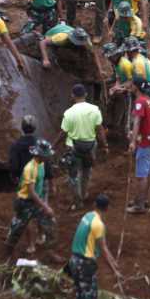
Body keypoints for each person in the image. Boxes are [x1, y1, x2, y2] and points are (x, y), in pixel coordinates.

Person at [67, 193, 121, 299]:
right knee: (89, 296)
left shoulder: (87, 216)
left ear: (95, 205)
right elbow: (103, 249)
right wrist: (114, 270)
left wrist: (114, 263)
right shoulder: (99, 225)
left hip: (74, 260)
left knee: (80, 293)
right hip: (85, 264)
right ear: (107, 208)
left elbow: (103, 248)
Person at [55, 83, 108, 212]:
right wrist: (105, 145)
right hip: (90, 146)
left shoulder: (69, 113)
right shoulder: (95, 110)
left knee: (74, 175)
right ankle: (84, 194)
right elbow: (100, 129)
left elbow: (63, 132)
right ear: (85, 94)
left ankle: (77, 201)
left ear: (72, 96)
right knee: (86, 171)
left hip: (73, 147)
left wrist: (54, 145)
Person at [4, 138, 57, 264]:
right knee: (17, 229)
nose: (48, 157)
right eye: (46, 155)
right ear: (40, 155)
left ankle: (51, 253)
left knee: (50, 223)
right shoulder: (30, 168)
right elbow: (31, 192)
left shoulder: (41, 164)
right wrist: (45, 206)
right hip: (25, 202)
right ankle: (7, 254)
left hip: (35, 201)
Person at [127, 80, 150, 214]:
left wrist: (133, 141)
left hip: (147, 143)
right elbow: (148, 122)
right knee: (148, 172)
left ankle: (139, 206)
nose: (129, 87)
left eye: (131, 85)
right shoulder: (149, 100)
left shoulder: (140, 102)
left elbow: (137, 122)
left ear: (136, 87)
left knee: (142, 175)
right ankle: (143, 199)